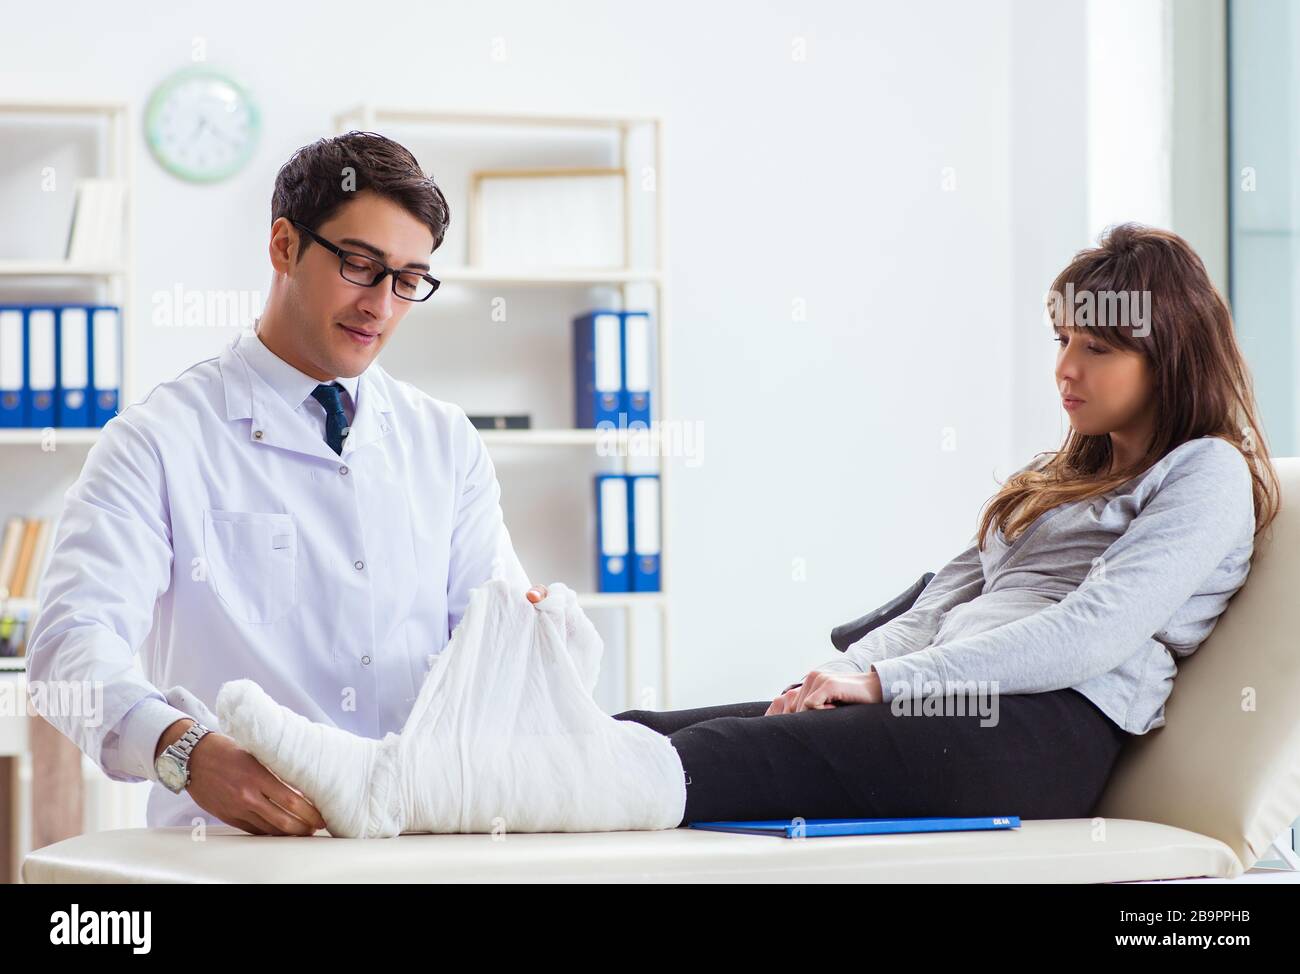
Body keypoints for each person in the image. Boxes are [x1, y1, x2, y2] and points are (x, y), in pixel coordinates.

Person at [209, 223, 1283, 836]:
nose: (1063, 369)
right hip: (962, 703)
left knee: (716, 759)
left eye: (1093, 349)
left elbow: (1096, 629)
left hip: (1043, 735)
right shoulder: (1058, 478)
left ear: (1167, 350)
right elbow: (944, 604)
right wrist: (846, 672)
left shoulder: (1207, 475)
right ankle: (394, 775)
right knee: (641, 722)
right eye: (1059, 341)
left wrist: (879, 687)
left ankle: (387, 793)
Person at [26, 131, 550, 836]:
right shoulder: (158, 438)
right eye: (361, 266)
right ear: (283, 246)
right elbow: (69, 646)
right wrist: (184, 750)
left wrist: (541, 638)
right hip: (238, 852)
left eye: (407, 281)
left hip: (419, 842)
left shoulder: (445, 442)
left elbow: (495, 643)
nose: (381, 307)